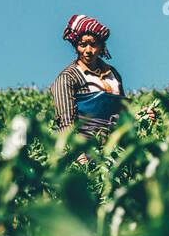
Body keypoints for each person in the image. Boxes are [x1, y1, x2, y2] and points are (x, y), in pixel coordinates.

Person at [52, 14, 127, 160]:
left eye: (93, 44)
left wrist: (140, 117)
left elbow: (123, 113)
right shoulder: (68, 77)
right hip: (83, 149)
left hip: (112, 150)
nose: (88, 50)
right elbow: (66, 122)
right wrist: (78, 155)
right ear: (76, 47)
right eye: (83, 45)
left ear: (101, 47)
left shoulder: (113, 74)